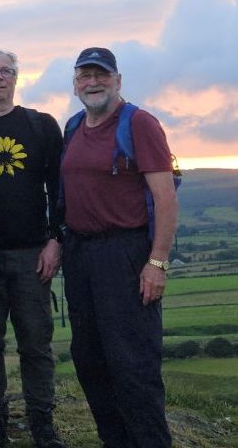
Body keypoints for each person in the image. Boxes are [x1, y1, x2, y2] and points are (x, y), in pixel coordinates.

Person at [60, 47, 177, 448]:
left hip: (124, 255)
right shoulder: (74, 126)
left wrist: (157, 263)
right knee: (90, 360)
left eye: (101, 75)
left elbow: (165, 198)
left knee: (133, 364)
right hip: (80, 255)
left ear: (118, 80)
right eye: (84, 76)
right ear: (75, 85)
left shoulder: (140, 124)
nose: (92, 82)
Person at [0, 50, 66, 448]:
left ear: (16, 79)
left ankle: (42, 421)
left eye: (7, 71)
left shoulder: (40, 126)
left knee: (36, 343)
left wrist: (56, 239)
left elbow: (59, 189)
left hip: (31, 253)